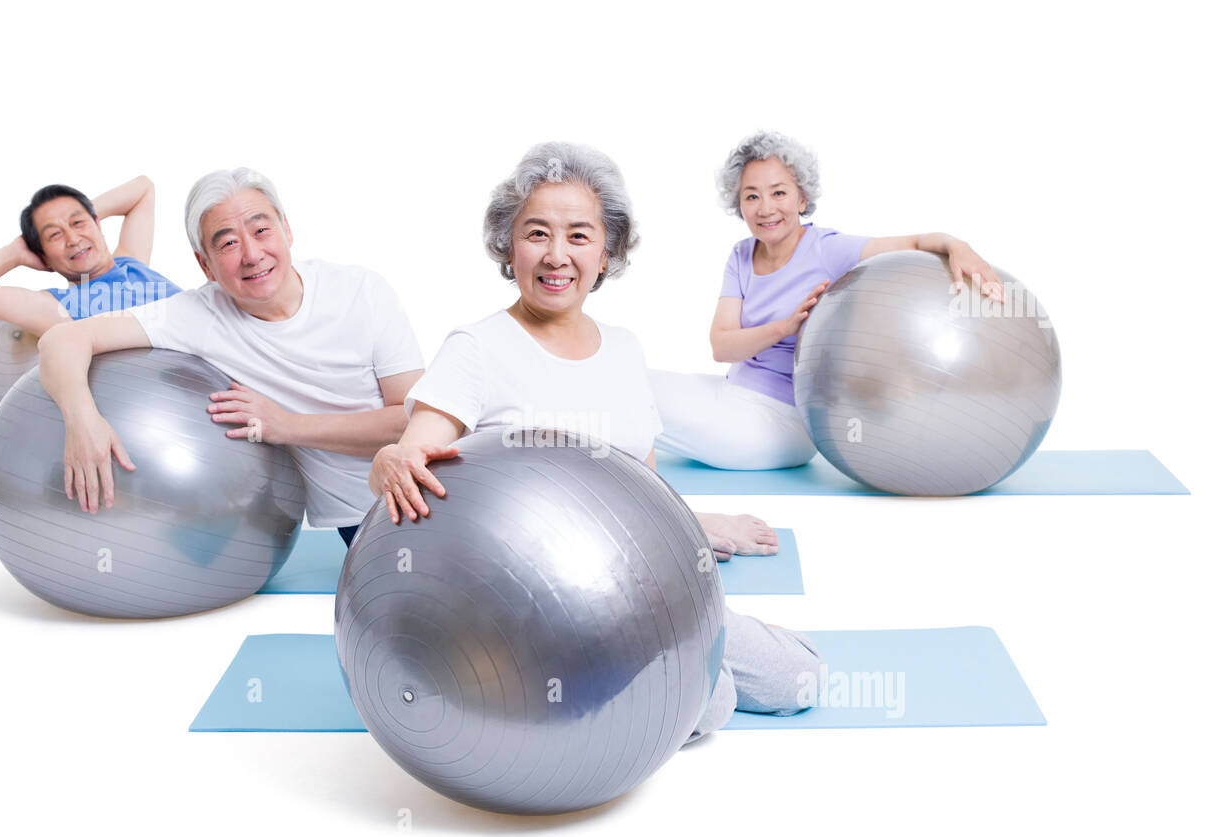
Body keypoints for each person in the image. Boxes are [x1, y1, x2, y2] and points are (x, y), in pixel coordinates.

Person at [368, 142, 822, 742]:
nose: (557, 256)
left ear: (607, 254)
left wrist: (697, 529)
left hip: (648, 585)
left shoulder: (625, 347)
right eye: (537, 234)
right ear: (509, 245)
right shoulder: (476, 348)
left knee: (800, 680)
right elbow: (412, 454)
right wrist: (390, 459)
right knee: (710, 708)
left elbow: (647, 479)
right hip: (543, 612)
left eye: (579, 236)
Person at [37, 168, 424, 541]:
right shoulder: (194, 315)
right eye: (227, 243)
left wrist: (285, 425)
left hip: (429, 479)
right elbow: (61, 340)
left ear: (287, 230)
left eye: (261, 230)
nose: (252, 255)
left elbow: (412, 420)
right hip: (368, 521)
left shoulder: (361, 291)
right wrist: (83, 422)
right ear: (204, 264)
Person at [650, 129, 1006, 471]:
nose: (765, 208)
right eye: (752, 196)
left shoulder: (827, 250)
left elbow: (912, 243)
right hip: (733, 394)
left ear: (802, 198)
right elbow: (722, 346)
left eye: (779, 193)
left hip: (784, 421)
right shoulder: (742, 254)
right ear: (739, 204)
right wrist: (784, 327)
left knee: (631, 401)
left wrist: (957, 246)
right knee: (628, 378)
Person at [0, 176, 180, 336]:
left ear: (98, 223)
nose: (72, 239)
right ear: (43, 257)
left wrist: (78, 216)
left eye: (78, 223)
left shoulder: (131, 264)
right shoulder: (59, 309)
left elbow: (143, 188)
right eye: (54, 235)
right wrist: (16, 251)